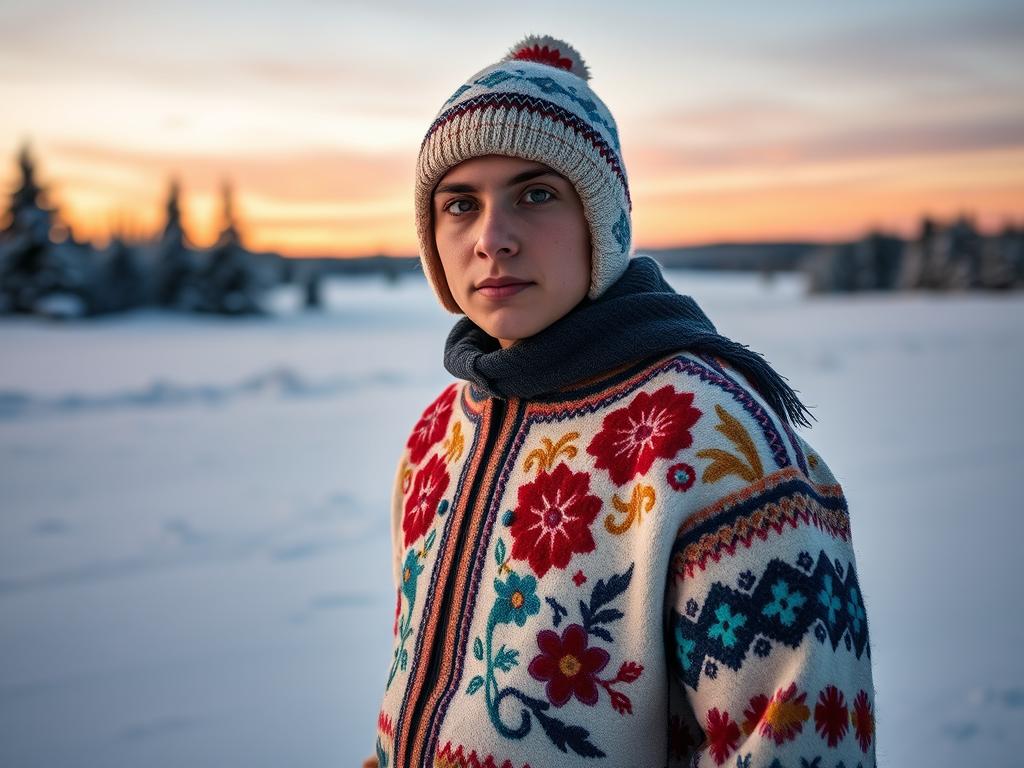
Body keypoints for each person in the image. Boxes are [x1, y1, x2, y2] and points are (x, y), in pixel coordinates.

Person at [368, 34, 876, 768]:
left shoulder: (708, 435)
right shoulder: (437, 436)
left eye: (535, 194)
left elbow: (802, 747)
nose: (492, 238)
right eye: (459, 204)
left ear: (601, 225)